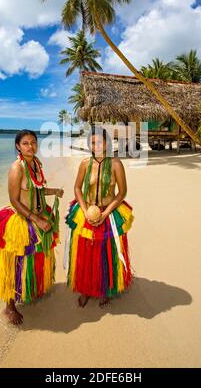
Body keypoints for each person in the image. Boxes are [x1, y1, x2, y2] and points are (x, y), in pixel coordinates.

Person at [0, 129, 64, 325]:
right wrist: (36, 220)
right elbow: (14, 200)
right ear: (17, 146)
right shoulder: (17, 167)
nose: (31, 146)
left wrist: (54, 190)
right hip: (22, 220)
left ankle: (29, 290)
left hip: (39, 216)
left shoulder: (36, 164)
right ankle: (9, 307)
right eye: (25, 143)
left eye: (33, 142)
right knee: (15, 263)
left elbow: (37, 188)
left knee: (34, 259)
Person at [64, 125, 134, 308]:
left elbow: (122, 192)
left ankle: (105, 288)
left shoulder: (116, 164)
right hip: (86, 210)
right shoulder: (85, 163)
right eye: (93, 142)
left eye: (100, 142)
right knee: (86, 253)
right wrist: (85, 209)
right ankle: (86, 289)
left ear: (107, 143)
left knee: (106, 252)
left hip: (109, 211)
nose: (96, 145)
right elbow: (77, 187)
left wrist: (105, 213)